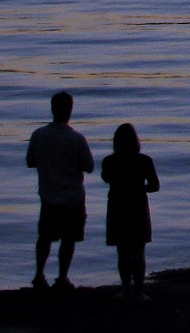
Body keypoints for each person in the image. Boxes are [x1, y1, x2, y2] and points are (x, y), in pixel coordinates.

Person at [25, 91, 95, 290]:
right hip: (72, 196)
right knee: (68, 238)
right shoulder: (77, 139)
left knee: (44, 237)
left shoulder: (39, 135)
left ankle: (39, 275)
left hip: (48, 195)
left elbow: (30, 162)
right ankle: (62, 277)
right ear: (70, 110)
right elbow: (89, 166)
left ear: (52, 109)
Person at [101, 123, 161, 298]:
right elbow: (155, 185)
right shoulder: (144, 160)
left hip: (117, 206)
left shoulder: (109, 161)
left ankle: (126, 289)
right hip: (138, 206)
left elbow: (106, 177)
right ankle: (139, 291)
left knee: (122, 251)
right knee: (139, 250)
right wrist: (140, 188)